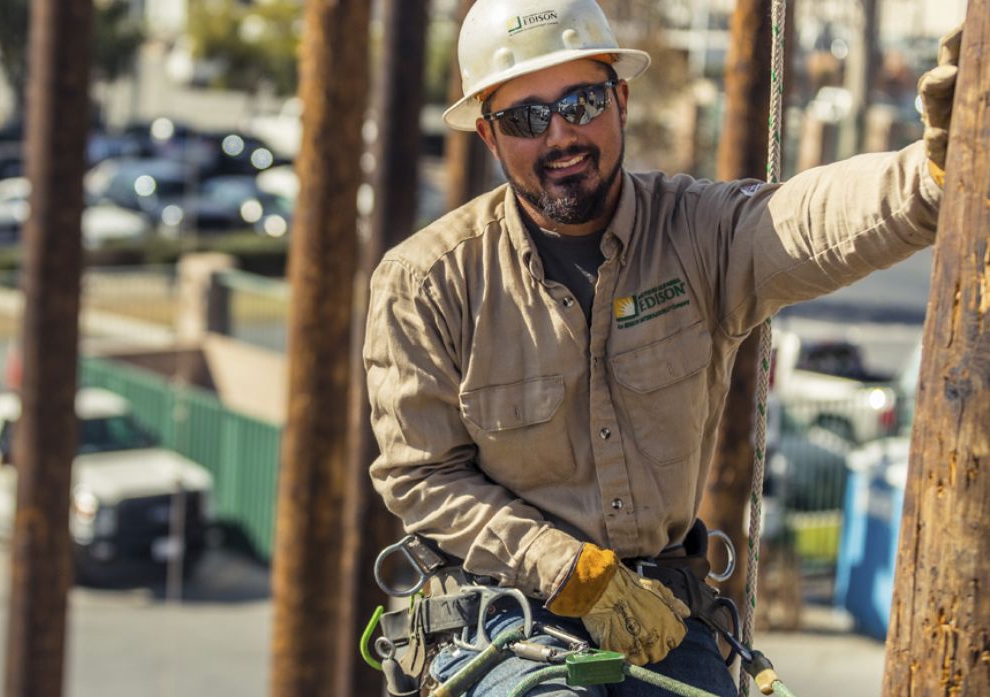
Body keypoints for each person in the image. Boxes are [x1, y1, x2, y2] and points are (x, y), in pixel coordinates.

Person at [363, 0, 959, 694]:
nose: (561, 134)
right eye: (526, 117)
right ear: (490, 135)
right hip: (504, 613)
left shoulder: (699, 235)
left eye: (582, 102)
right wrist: (570, 570)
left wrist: (931, 175)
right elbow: (422, 477)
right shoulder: (428, 282)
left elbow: (809, 219)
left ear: (620, 99)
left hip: (666, 613)